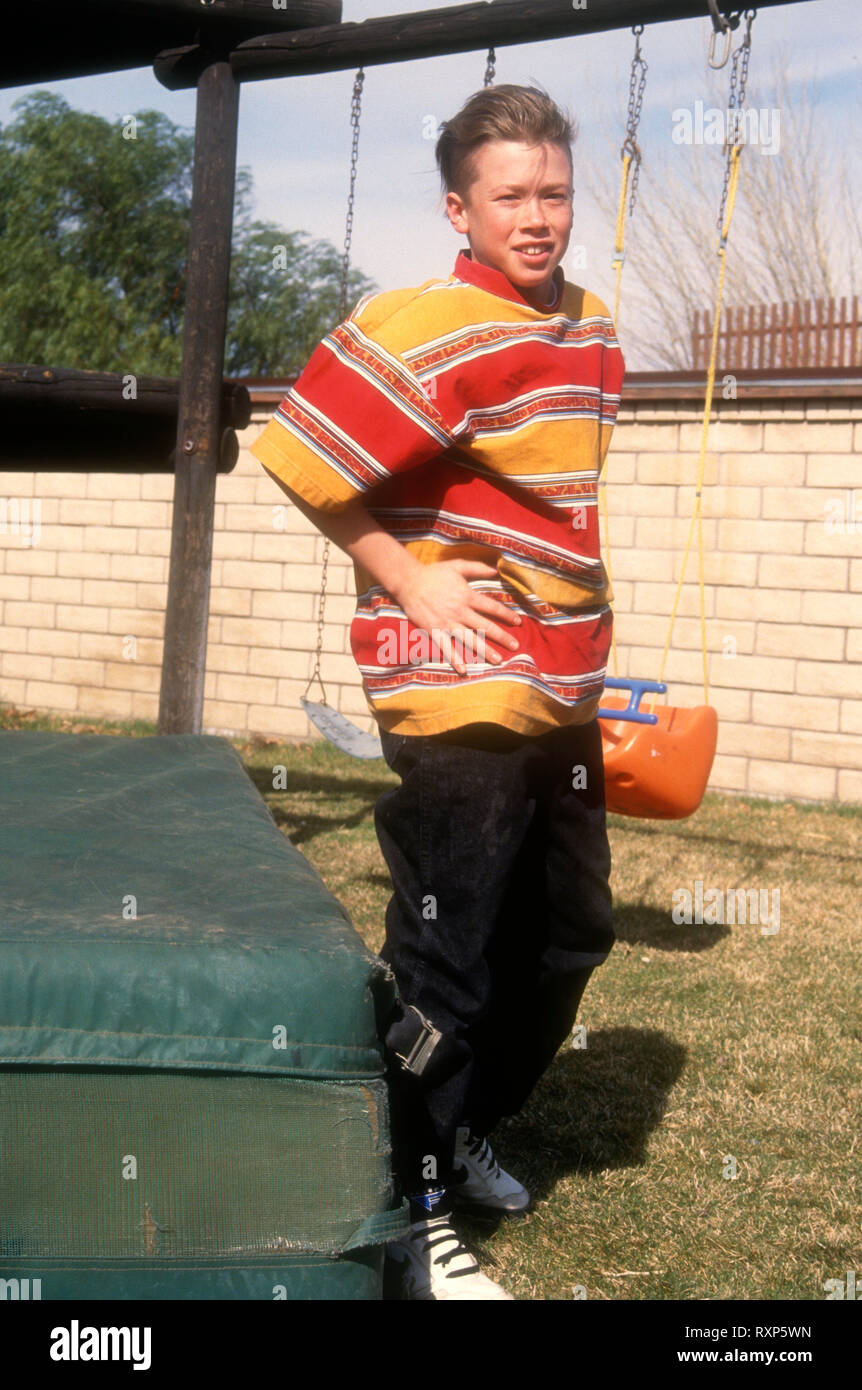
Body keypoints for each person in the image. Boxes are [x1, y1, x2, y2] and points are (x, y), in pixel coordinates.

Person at [251, 83, 625, 1300]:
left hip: (563, 684)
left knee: (568, 931)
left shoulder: (594, 328)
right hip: (455, 684)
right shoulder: (420, 322)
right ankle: (405, 1211)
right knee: (448, 955)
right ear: (457, 208)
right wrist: (410, 581)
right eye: (508, 195)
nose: (536, 216)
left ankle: (460, 1133)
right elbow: (299, 452)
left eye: (552, 191)